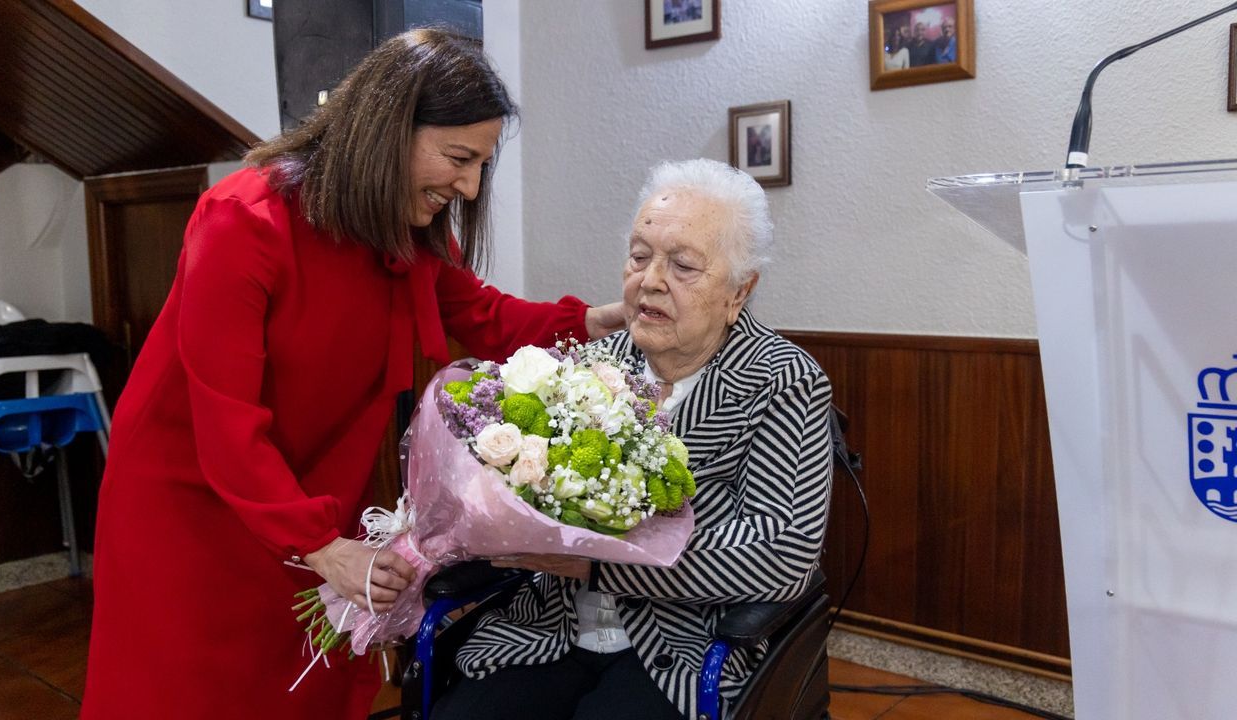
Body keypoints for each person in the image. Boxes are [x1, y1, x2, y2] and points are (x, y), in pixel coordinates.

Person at [81, 28, 624, 720]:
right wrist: (320, 546)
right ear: (388, 130)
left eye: (482, 164)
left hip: (311, 496)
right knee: (191, 691)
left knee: (304, 685)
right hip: (191, 511)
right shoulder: (244, 221)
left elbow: (485, 316)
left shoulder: (409, 229)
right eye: (459, 158)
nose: (469, 185)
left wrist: (595, 320)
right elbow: (226, 423)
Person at [432, 159, 836, 720]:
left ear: (739, 291)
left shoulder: (781, 379)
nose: (650, 280)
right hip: (552, 626)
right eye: (640, 256)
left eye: (684, 265)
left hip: (684, 644)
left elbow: (782, 552)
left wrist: (602, 566)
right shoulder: (591, 364)